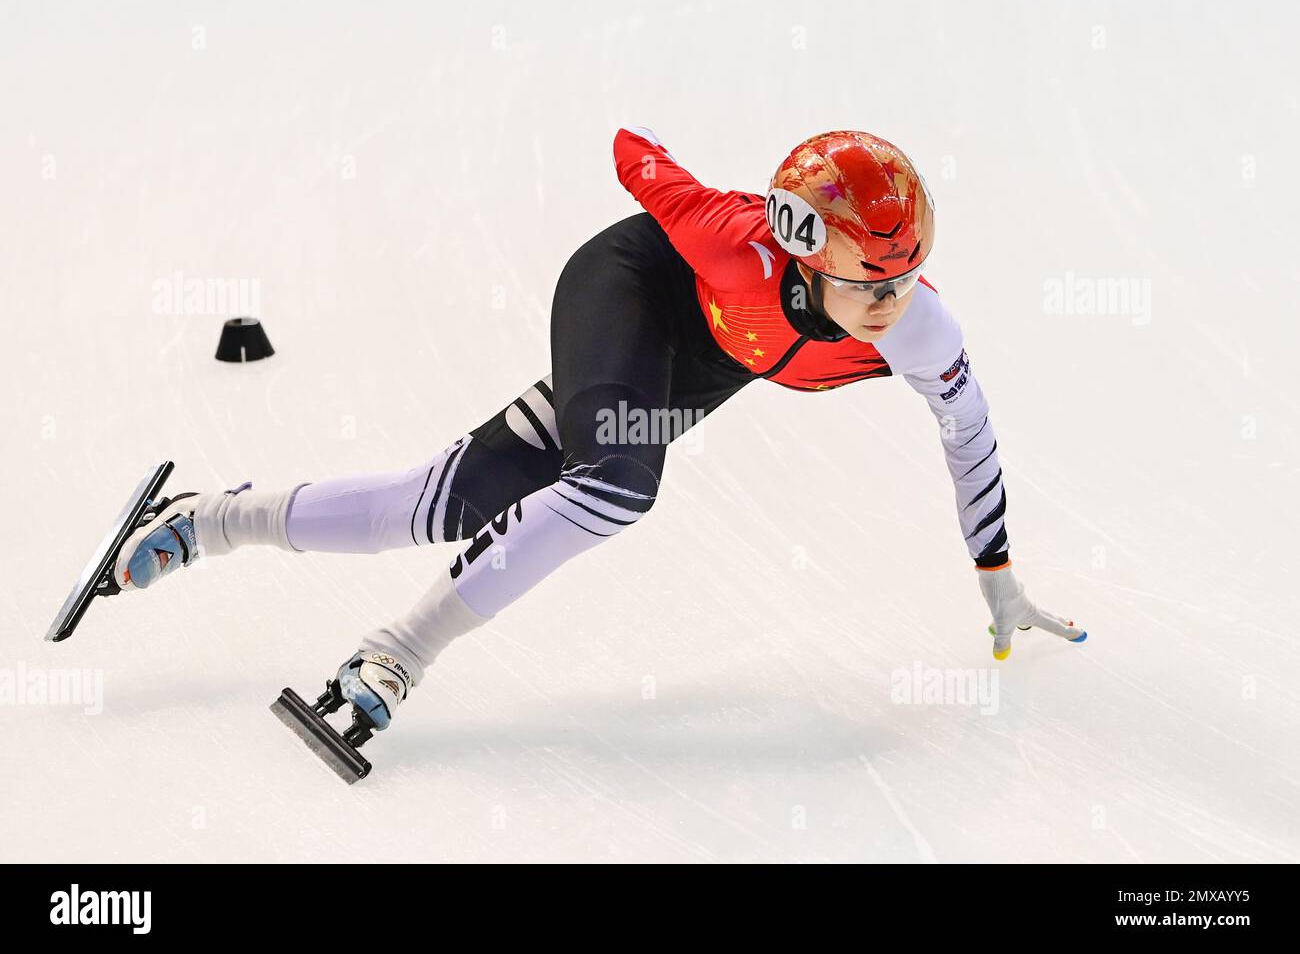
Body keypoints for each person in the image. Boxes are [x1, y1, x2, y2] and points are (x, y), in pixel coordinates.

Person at [111, 127, 1087, 733]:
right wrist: (713, 194)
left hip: (693, 369)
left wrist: (995, 574)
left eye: (905, 278)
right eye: (870, 281)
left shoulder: (922, 329)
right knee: (620, 482)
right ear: (797, 241)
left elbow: (969, 435)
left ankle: (206, 520)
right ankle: (399, 654)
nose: (889, 304)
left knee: (442, 504)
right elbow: (633, 149)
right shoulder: (726, 234)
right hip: (631, 287)